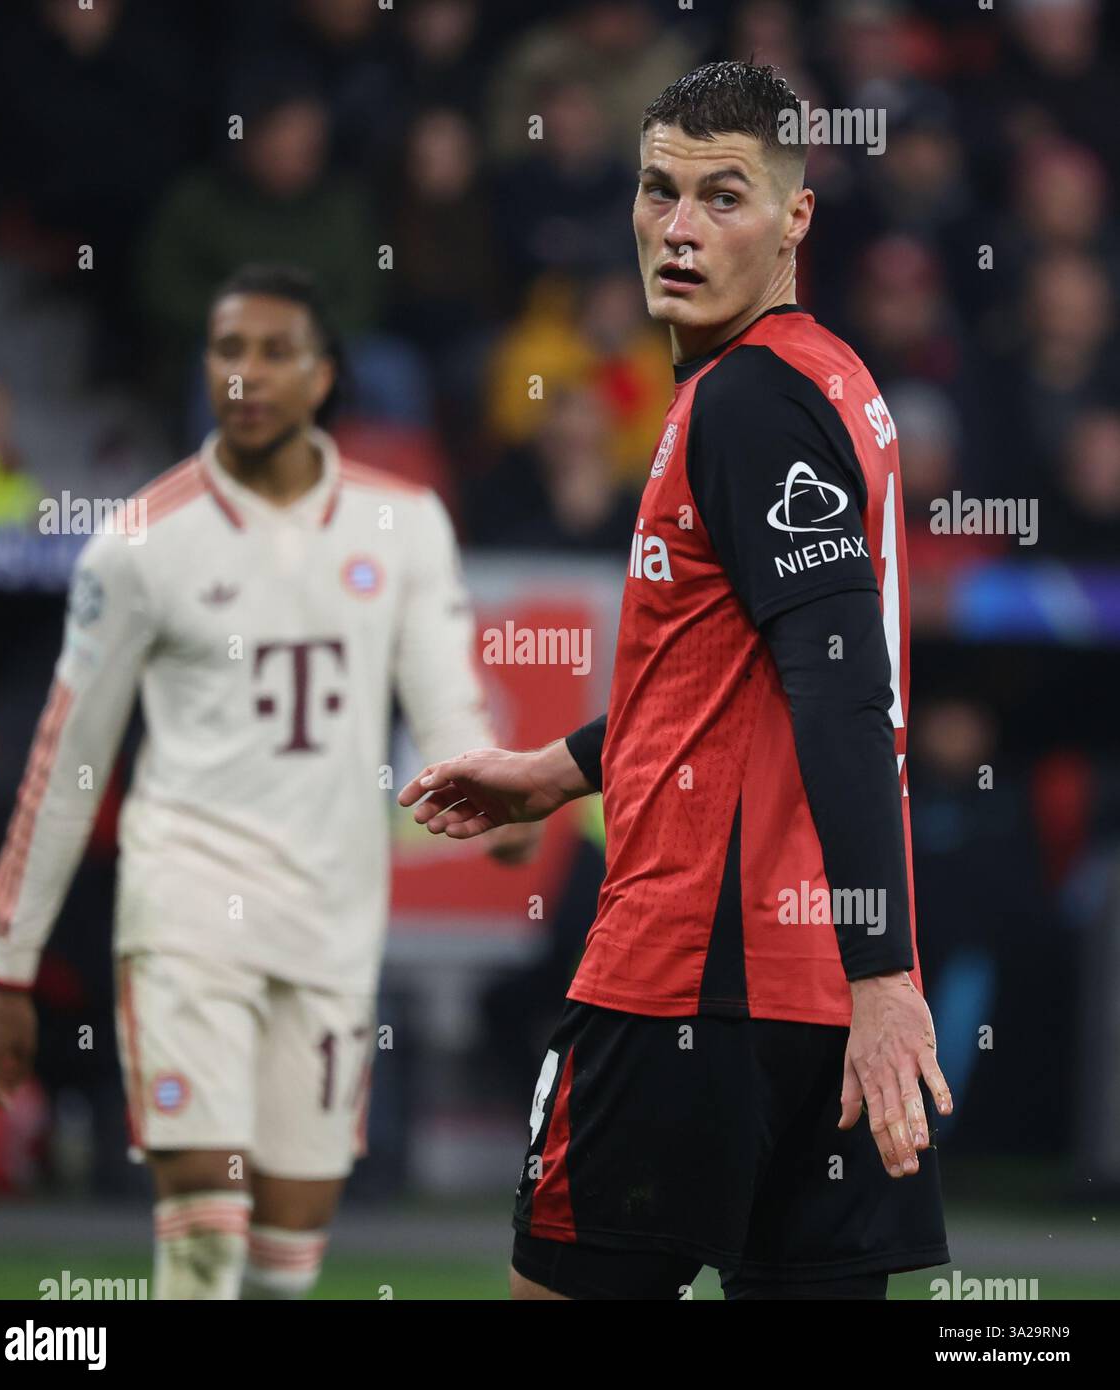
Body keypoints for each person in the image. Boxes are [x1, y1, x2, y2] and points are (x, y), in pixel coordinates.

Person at [400, 60, 952, 1301]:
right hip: (807, 994)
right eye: (659, 191)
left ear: (796, 219)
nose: (682, 228)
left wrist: (885, 976)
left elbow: (839, 686)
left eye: (725, 196)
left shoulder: (745, 404)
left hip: (693, 973)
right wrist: (558, 769)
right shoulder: (831, 382)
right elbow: (741, 668)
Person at [0, 264, 538, 1299]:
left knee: (290, 1238)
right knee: (203, 1203)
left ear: (323, 377)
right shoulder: (142, 540)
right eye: (229, 350)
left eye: (276, 351)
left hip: (328, 913)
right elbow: (67, 755)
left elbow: (446, 700)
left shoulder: (403, 526)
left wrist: (492, 795)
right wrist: (10, 964)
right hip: (185, 900)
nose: (249, 372)